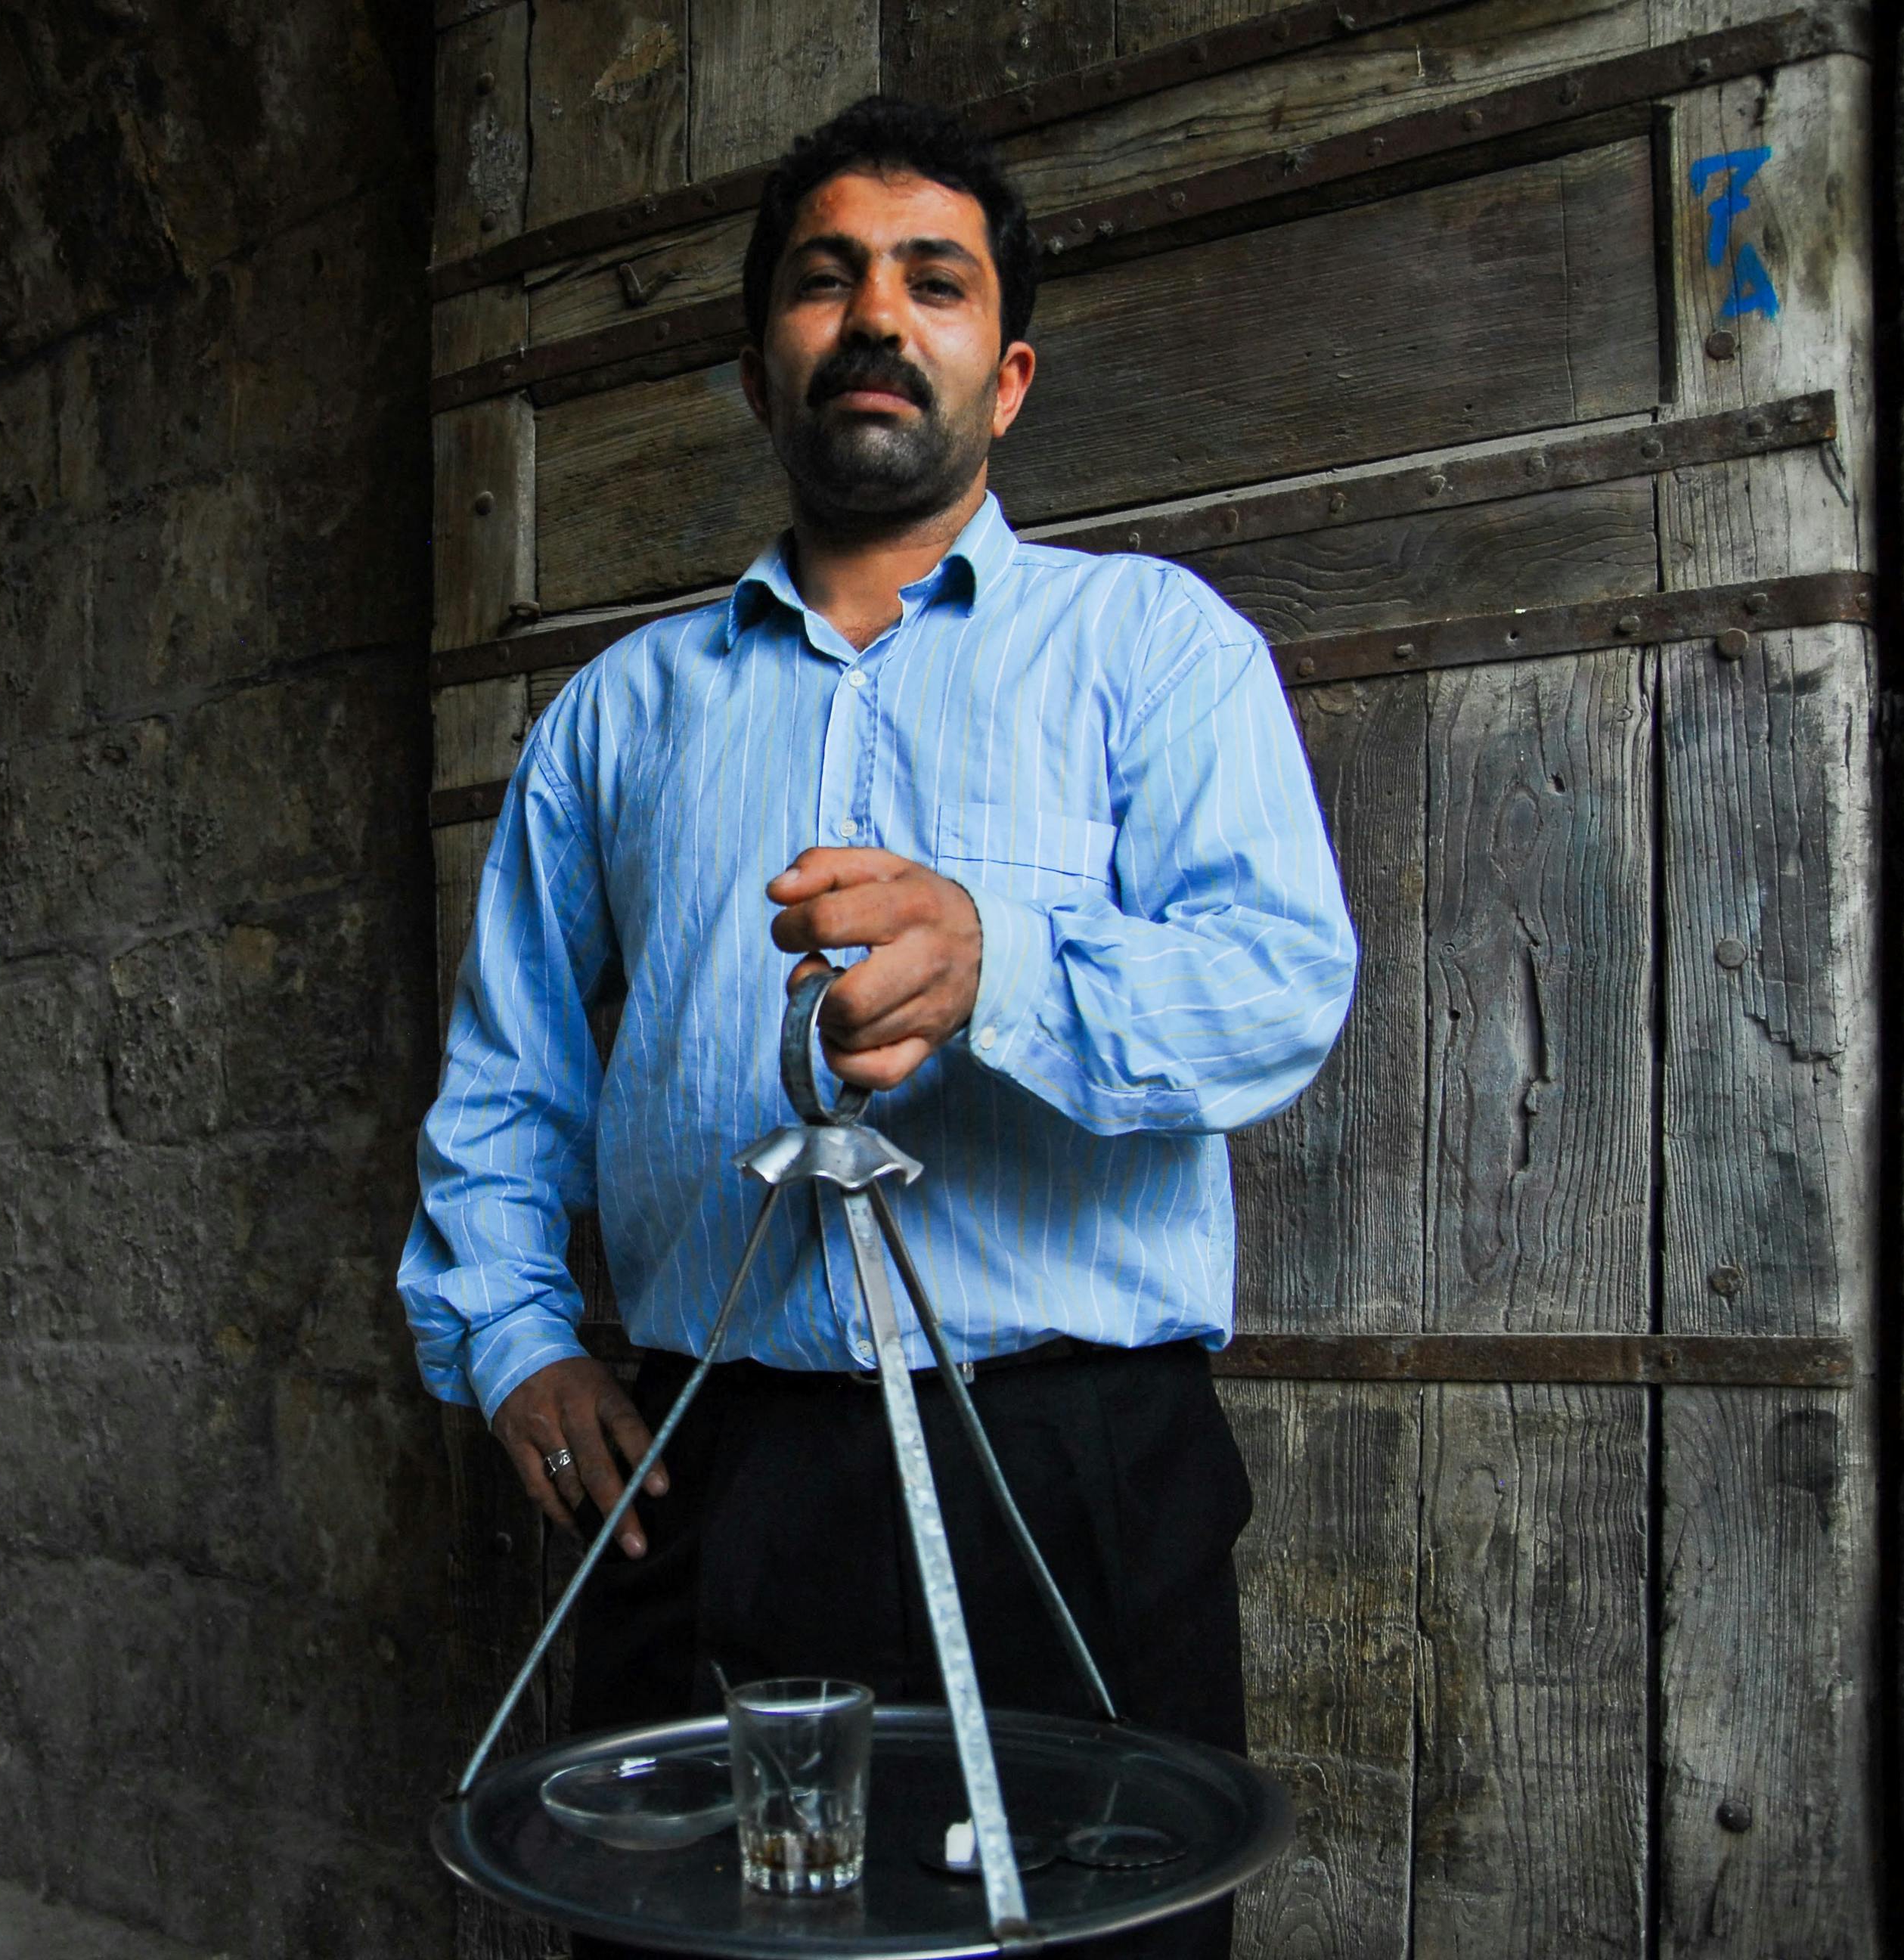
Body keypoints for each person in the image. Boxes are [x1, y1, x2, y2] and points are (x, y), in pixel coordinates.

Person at [399, 95, 1357, 1958]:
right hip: (710, 1466)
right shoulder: (618, 713)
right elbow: (510, 1074)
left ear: (1003, 378)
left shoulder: (1152, 648)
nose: (874, 317)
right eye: (826, 281)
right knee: (686, 1946)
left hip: (1073, 1470)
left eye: (933, 281)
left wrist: (1001, 961)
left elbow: (1277, 989)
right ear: (761, 370)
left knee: (1095, 1945)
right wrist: (512, 1335)